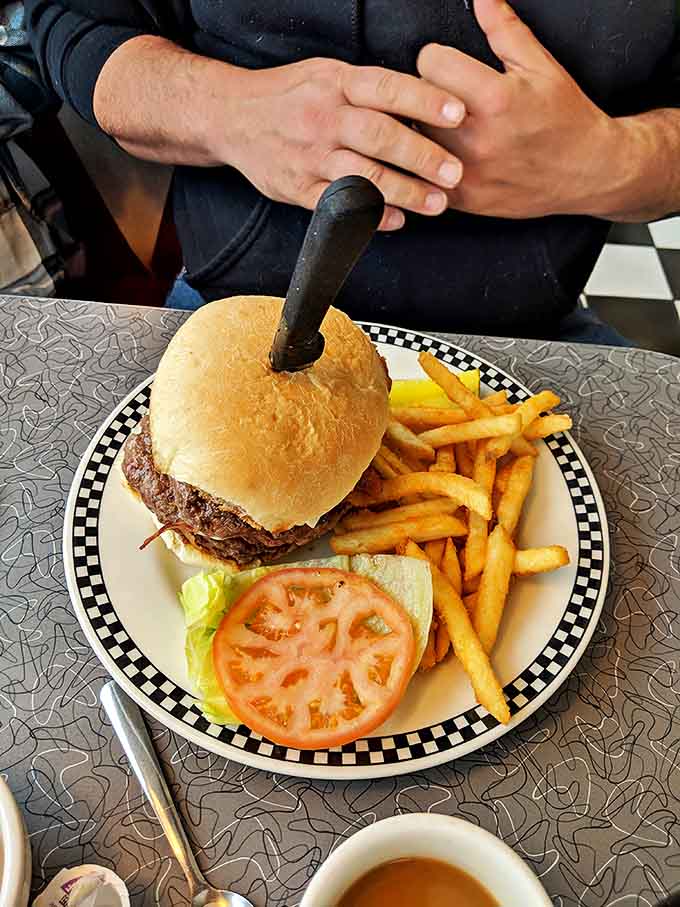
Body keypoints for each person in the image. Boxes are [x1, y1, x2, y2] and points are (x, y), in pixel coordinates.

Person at [24, 0, 680, 343]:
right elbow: (75, 26)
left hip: (537, 336)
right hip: (230, 316)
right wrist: (224, 109)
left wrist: (612, 161)